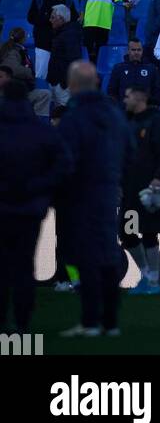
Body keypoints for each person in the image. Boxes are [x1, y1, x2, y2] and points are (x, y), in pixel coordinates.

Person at [55, 62, 131, 338]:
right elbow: (129, 150)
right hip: (109, 190)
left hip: (79, 193)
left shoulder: (74, 117)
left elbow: (63, 158)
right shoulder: (114, 114)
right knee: (108, 252)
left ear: (72, 84)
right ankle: (110, 321)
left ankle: (90, 321)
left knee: (86, 256)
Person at [0, 79, 71, 333]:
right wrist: (41, 191)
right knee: (23, 265)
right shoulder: (42, 132)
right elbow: (63, 168)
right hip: (30, 210)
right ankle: (22, 323)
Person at [120, 84, 160, 295]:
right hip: (130, 189)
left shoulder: (156, 121)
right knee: (127, 233)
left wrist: (158, 178)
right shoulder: (129, 122)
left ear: (138, 97)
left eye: (127, 96)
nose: (124, 100)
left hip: (150, 190)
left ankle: (153, 280)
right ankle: (146, 274)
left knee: (149, 233)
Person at [28, 0, 78, 80]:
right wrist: (49, 19)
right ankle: (42, 96)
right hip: (43, 43)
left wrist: (63, 21)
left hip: (61, 45)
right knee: (41, 75)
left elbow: (74, 20)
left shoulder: (68, 0)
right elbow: (31, 18)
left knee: (60, 77)